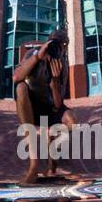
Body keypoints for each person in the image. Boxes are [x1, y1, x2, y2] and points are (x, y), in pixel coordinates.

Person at [13, 30, 75, 184]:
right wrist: (38, 57)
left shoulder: (62, 65)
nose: (58, 49)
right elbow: (16, 78)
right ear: (47, 43)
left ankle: (52, 166)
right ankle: (34, 164)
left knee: (72, 122)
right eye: (54, 44)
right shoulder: (33, 54)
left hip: (51, 107)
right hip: (33, 105)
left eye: (62, 46)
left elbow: (58, 104)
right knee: (21, 88)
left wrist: (54, 81)